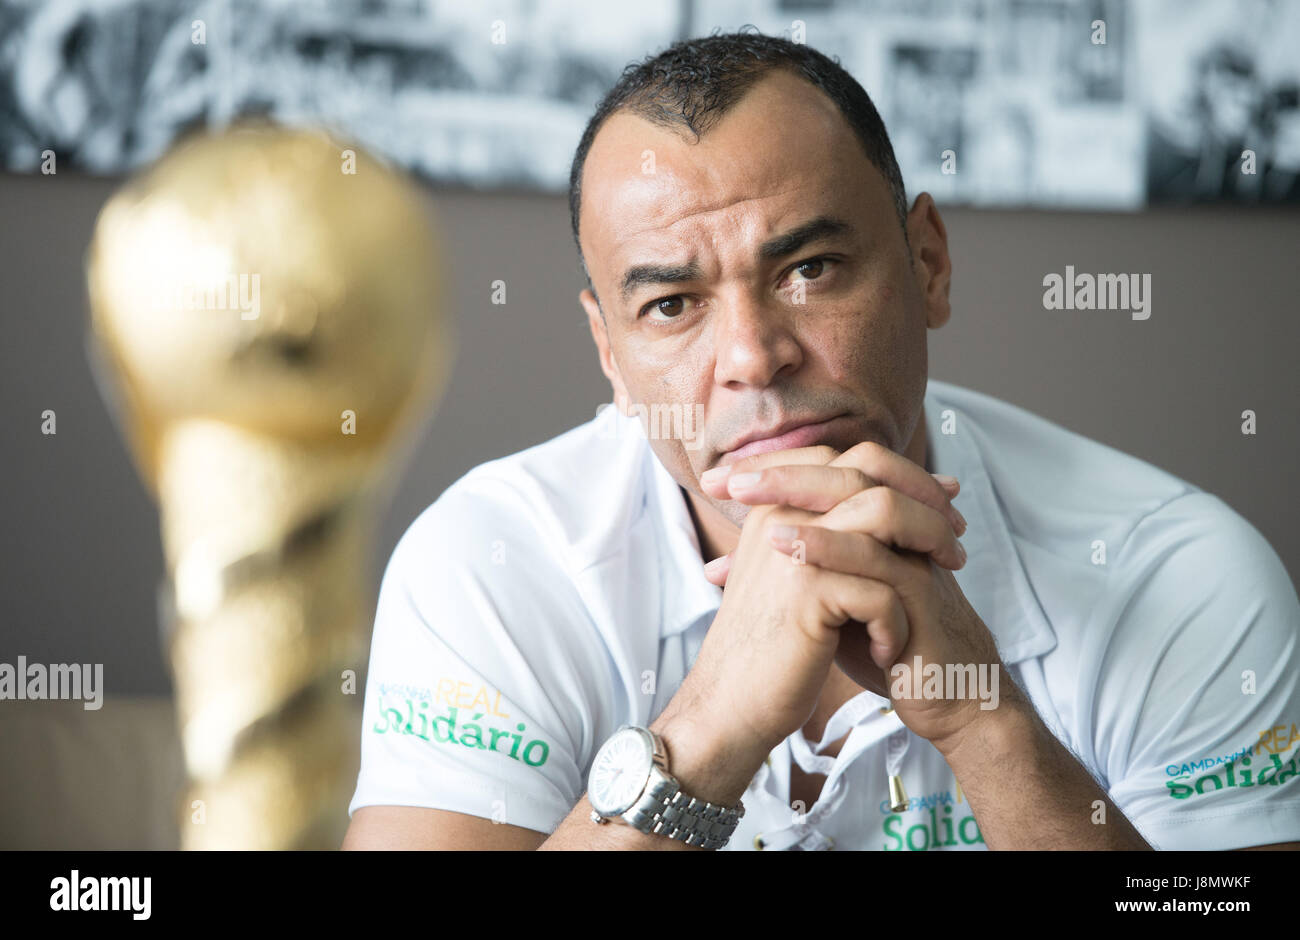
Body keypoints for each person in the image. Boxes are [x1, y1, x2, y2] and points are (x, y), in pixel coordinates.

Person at [342, 31, 1300, 851]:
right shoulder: (490, 563)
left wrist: (986, 725)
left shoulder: (1178, 573)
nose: (753, 357)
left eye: (809, 268)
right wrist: (708, 732)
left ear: (927, 265)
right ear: (610, 351)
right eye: (672, 304)